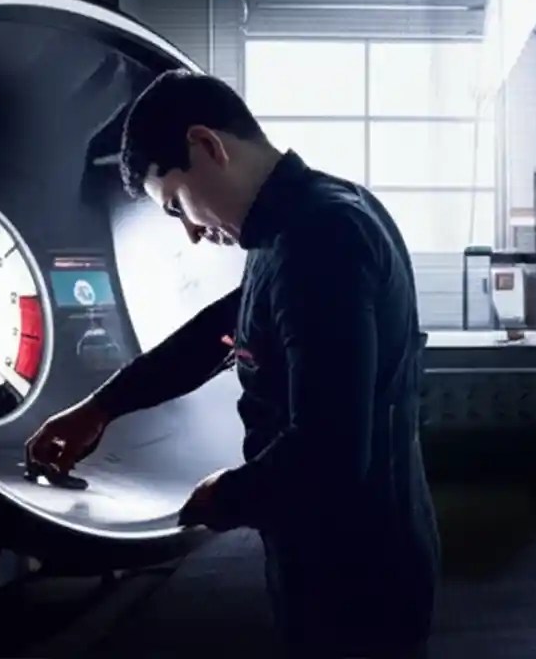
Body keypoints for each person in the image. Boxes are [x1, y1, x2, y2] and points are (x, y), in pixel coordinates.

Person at [25, 69, 440, 659]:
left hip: (354, 575)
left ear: (207, 146)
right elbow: (219, 335)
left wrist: (228, 495)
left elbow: (333, 448)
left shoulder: (319, 240)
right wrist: (102, 406)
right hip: (351, 553)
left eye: (176, 206)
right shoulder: (302, 224)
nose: (192, 232)